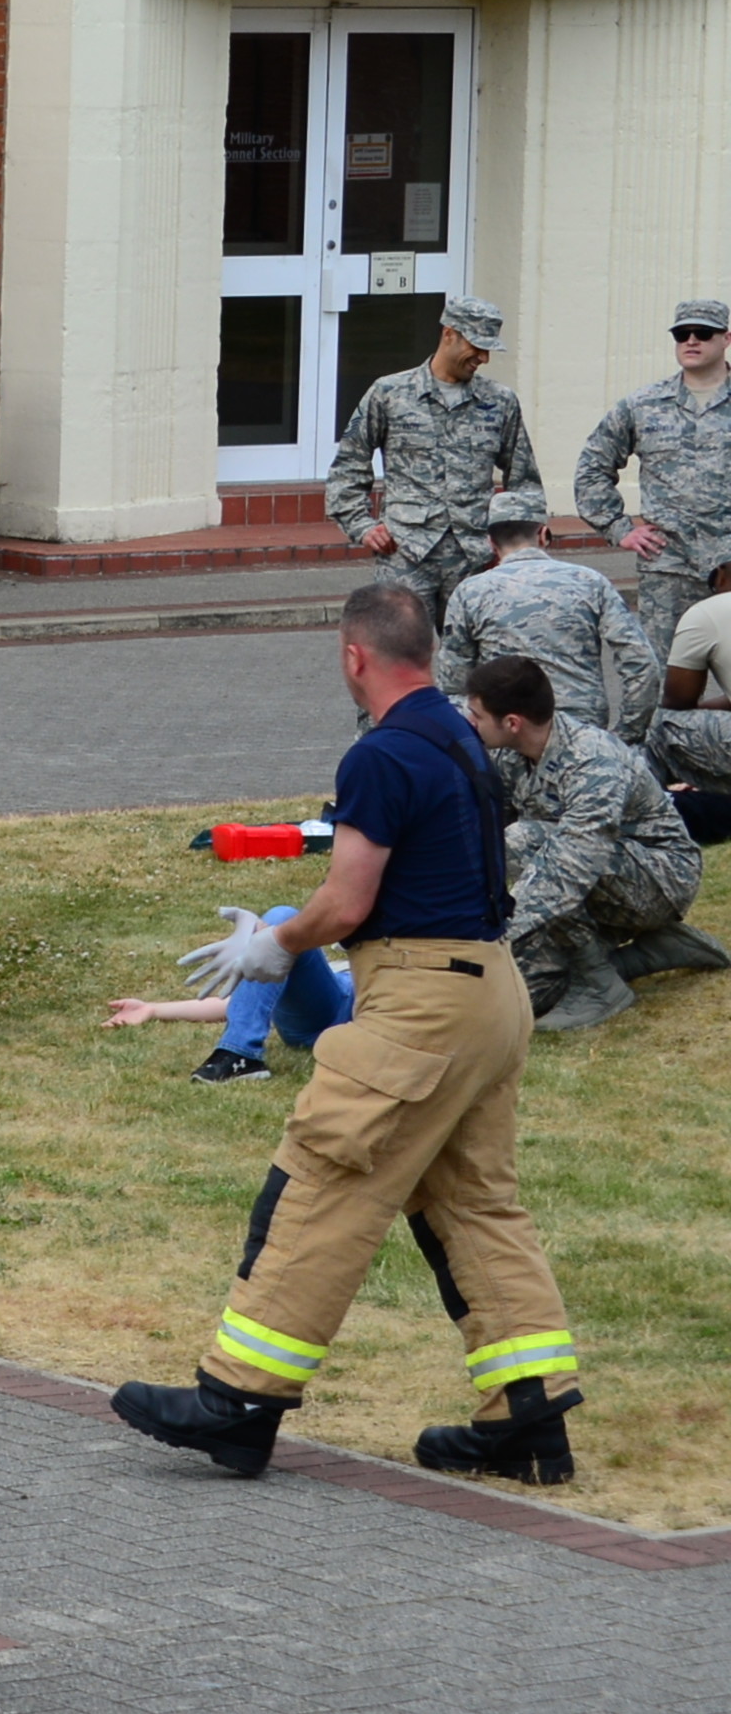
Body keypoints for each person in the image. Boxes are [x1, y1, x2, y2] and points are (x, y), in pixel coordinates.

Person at [115, 583, 584, 1488]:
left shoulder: (381, 754)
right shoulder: (455, 736)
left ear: (353, 657)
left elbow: (347, 898)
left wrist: (273, 946)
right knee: (474, 1205)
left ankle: (237, 1402)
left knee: (323, 1183)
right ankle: (528, 1418)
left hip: (419, 1000)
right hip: (491, 991)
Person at [463, 652, 718, 1033]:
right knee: (516, 997)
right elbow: (482, 837)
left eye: (476, 716)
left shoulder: (592, 761)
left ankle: (600, 981)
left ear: (512, 723)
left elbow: (572, 865)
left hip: (659, 879)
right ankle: (652, 953)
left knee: (524, 840)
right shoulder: (512, 754)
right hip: (592, 885)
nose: (470, 723)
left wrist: (494, 934)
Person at [324, 294, 539, 620]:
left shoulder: (500, 402)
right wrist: (361, 524)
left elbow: (524, 479)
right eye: (476, 345)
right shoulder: (389, 394)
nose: (482, 357)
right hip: (405, 558)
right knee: (398, 659)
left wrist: (520, 542)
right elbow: (349, 464)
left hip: (475, 560)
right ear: (448, 333)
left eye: (488, 349)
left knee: (481, 661)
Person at [570, 296, 731, 650]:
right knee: (663, 682)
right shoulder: (643, 405)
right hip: (667, 569)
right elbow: (592, 468)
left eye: (703, 333)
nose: (691, 341)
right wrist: (619, 528)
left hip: (729, 561)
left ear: (726, 339)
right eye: (682, 334)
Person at [436, 486, 658, 741]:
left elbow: (452, 687)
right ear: (543, 534)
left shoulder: (469, 593)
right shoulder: (590, 582)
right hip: (582, 737)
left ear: (490, 542)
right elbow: (641, 662)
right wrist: (626, 734)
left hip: (505, 740)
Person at [105, 905, 352, 1084]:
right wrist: (153, 1009)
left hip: (372, 1008)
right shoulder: (323, 974)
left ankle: (238, 1053)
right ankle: (239, 1054)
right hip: (329, 1007)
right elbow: (243, 1003)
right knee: (281, 919)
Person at [644, 558, 731, 794]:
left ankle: (652, 813)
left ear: (720, 574)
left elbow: (678, 701)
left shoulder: (708, 611)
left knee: (655, 727)